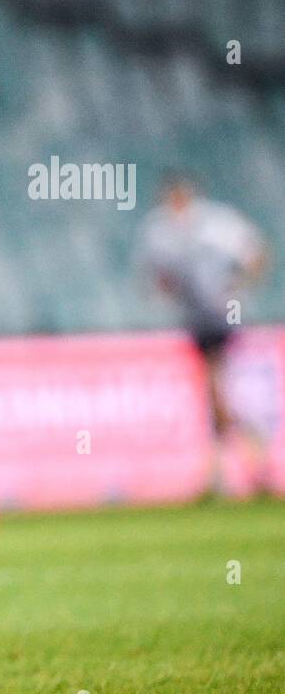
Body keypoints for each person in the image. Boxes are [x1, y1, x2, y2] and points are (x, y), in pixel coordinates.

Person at [137, 172, 269, 494]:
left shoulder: (216, 222)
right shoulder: (160, 229)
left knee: (215, 387)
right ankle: (245, 459)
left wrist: (237, 291)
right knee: (216, 393)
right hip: (195, 318)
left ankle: (226, 469)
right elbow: (155, 275)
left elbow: (256, 254)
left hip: (222, 316)